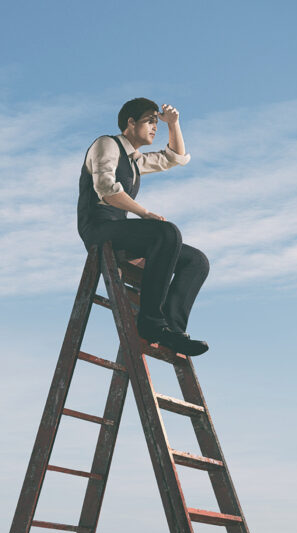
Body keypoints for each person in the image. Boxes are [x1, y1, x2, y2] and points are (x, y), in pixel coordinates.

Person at [77, 97, 210, 356]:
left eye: (155, 123)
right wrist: (144, 213)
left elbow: (175, 157)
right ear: (130, 122)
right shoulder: (107, 144)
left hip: (121, 231)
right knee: (166, 232)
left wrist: (173, 123)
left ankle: (173, 329)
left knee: (197, 261)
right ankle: (151, 323)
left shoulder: (135, 161)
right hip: (98, 229)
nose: (154, 127)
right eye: (150, 121)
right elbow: (106, 190)